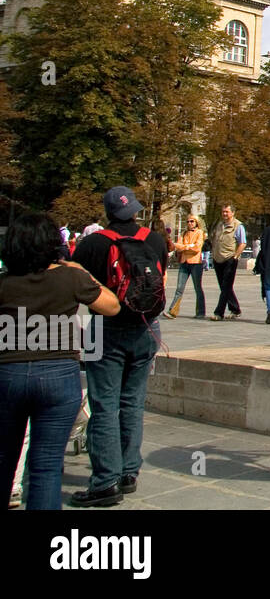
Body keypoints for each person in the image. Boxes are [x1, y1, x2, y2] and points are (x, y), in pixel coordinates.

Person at [1, 213, 121, 510]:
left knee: (4, 459)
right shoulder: (70, 277)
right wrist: (81, 270)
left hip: (7, 374)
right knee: (46, 466)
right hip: (57, 374)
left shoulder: (4, 283)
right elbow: (112, 305)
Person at [70, 186, 169, 507]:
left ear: (108, 213)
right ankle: (129, 471)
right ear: (136, 210)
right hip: (146, 326)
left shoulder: (93, 244)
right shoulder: (154, 239)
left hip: (105, 326)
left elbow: (79, 284)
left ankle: (105, 481)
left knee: (104, 404)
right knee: (133, 401)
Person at [208, 205, 246, 320]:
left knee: (225, 286)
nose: (224, 214)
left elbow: (242, 243)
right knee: (224, 286)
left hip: (230, 259)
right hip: (218, 259)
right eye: (223, 212)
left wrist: (235, 256)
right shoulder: (219, 225)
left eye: (227, 212)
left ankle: (219, 313)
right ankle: (235, 308)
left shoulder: (238, 226)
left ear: (233, 213)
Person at [166, 214, 206, 319]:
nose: (189, 223)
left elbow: (197, 247)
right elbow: (177, 246)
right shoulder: (184, 233)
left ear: (196, 222)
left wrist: (185, 247)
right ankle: (172, 311)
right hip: (184, 263)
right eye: (188, 221)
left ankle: (200, 312)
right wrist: (188, 246)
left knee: (198, 288)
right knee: (179, 288)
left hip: (195, 263)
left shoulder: (199, 233)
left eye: (192, 221)